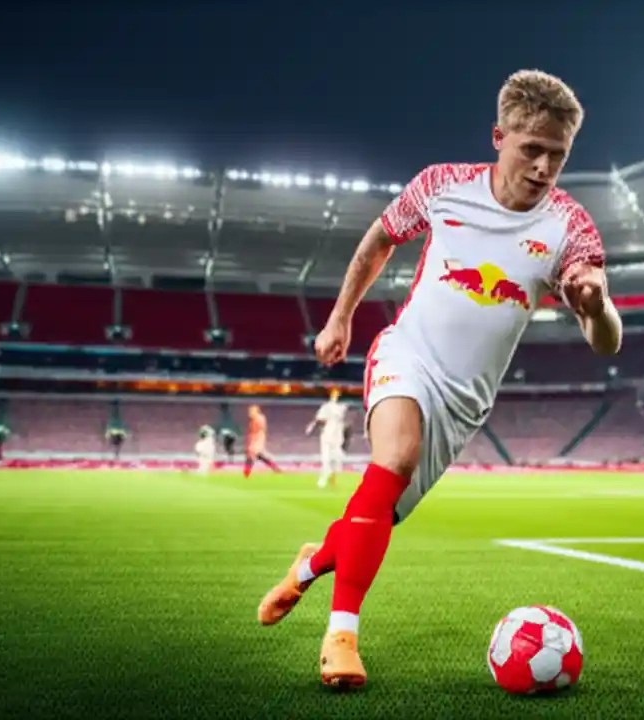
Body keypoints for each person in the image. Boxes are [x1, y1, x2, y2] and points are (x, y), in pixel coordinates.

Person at [257, 69, 621, 690]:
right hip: (407, 355)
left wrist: (596, 306)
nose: (543, 166)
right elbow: (378, 240)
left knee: (376, 514)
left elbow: (604, 341)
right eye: (531, 148)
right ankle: (341, 636)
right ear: (498, 136)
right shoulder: (443, 185)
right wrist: (340, 317)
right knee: (392, 457)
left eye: (557, 155)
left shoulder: (571, 227)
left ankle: (310, 566)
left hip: (465, 403)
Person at [306, 388, 349, 488]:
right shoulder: (329, 406)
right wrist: (313, 425)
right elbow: (320, 419)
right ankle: (325, 477)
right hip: (329, 434)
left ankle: (331, 478)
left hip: (336, 435)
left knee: (335, 457)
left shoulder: (341, 407)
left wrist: (313, 425)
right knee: (326, 458)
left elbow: (320, 419)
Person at [244, 405, 282, 477]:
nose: (249, 413)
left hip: (257, 440)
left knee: (252, 455)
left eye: (251, 411)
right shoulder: (253, 420)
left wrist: (253, 442)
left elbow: (259, 430)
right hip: (254, 439)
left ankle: (246, 473)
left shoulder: (260, 418)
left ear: (256, 411)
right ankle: (275, 468)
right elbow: (251, 432)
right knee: (260, 456)